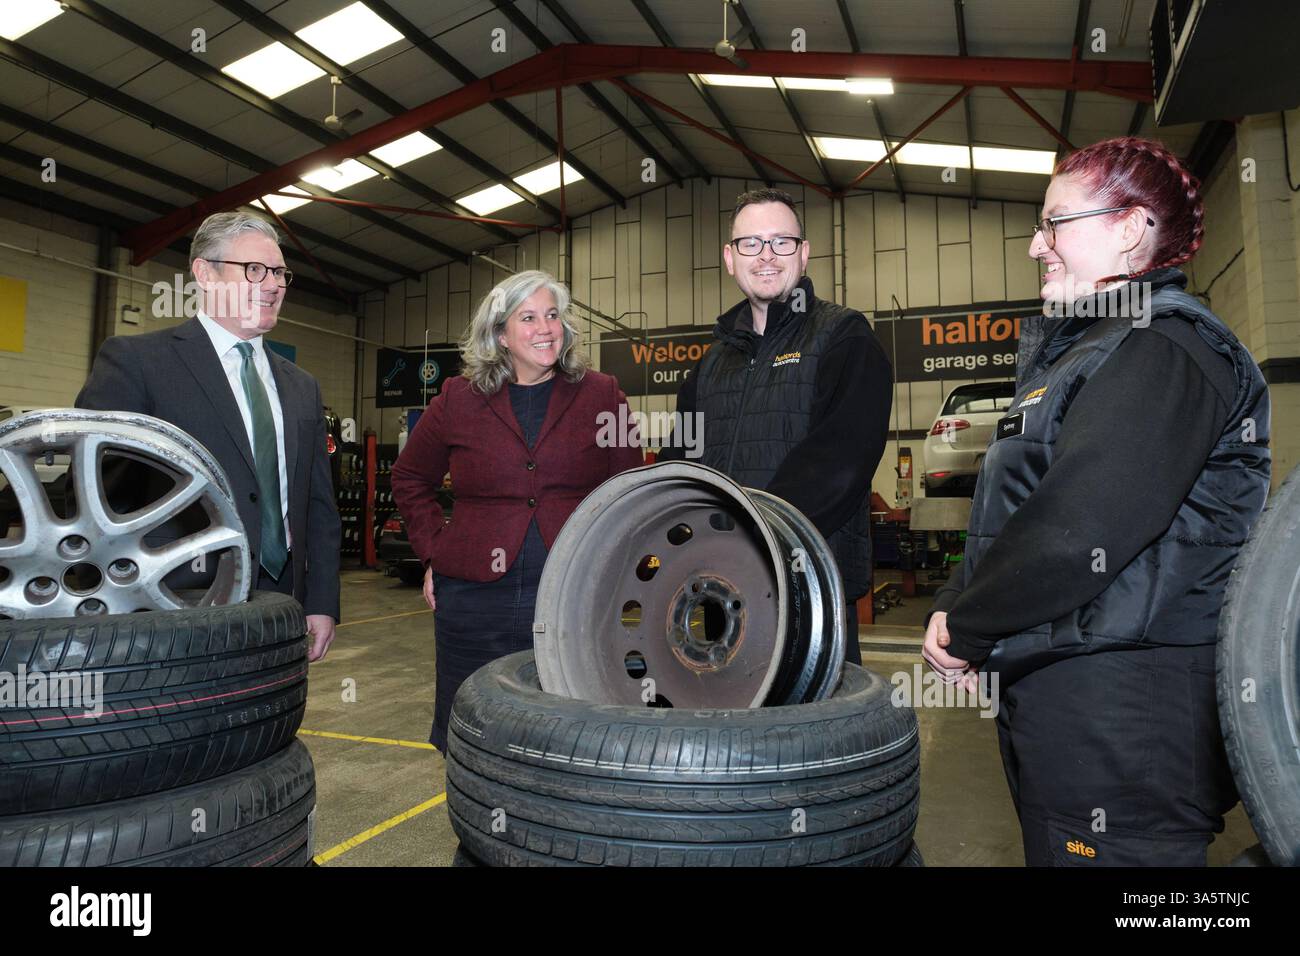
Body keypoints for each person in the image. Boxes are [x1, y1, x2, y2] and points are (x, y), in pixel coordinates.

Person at [922, 136, 1271, 866]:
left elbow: (1078, 528)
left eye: (1055, 223)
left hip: (1127, 714)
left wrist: (968, 626)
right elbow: (1015, 510)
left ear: (1131, 227)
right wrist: (956, 599)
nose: (1034, 246)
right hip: (1066, 690)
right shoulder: (1091, 349)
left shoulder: (1164, 347)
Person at [391, 270, 643, 752]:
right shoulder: (457, 399)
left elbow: (628, 490)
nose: (545, 328)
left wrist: (616, 572)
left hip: (572, 589)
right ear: (500, 333)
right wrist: (433, 551)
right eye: (528, 318)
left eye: (553, 315)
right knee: (474, 724)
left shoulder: (602, 393)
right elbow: (409, 478)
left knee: (568, 727)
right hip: (472, 597)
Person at [77, 211, 341, 660]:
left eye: (279, 272)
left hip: (281, 599)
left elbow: (318, 504)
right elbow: (93, 491)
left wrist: (321, 602)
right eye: (255, 270)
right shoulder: (139, 362)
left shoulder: (302, 386)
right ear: (205, 273)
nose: (274, 284)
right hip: (175, 598)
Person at [659, 188, 893, 665]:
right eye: (750, 243)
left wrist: (758, 540)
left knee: (813, 732)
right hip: (720, 590)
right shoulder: (710, 364)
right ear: (729, 258)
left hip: (812, 585)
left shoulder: (844, 336)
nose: (766, 256)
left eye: (781, 242)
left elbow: (841, 460)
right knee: (728, 730)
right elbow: (680, 463)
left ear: (804, 253)